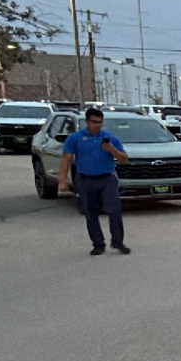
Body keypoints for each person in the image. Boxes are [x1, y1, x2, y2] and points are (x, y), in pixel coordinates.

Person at [59, 107, 131, 255]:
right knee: (90, 213)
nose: (97, 125)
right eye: (94, 122)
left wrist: (112, 150)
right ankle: (98, 244)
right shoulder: (75, 138)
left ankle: (118, 242)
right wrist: (62, 181)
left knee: (114, 209)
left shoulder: (109, 138)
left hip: (107, 179)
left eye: (100, 122)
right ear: (86, 121)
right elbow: (66, 160)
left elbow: (124, 159)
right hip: (85, 180)